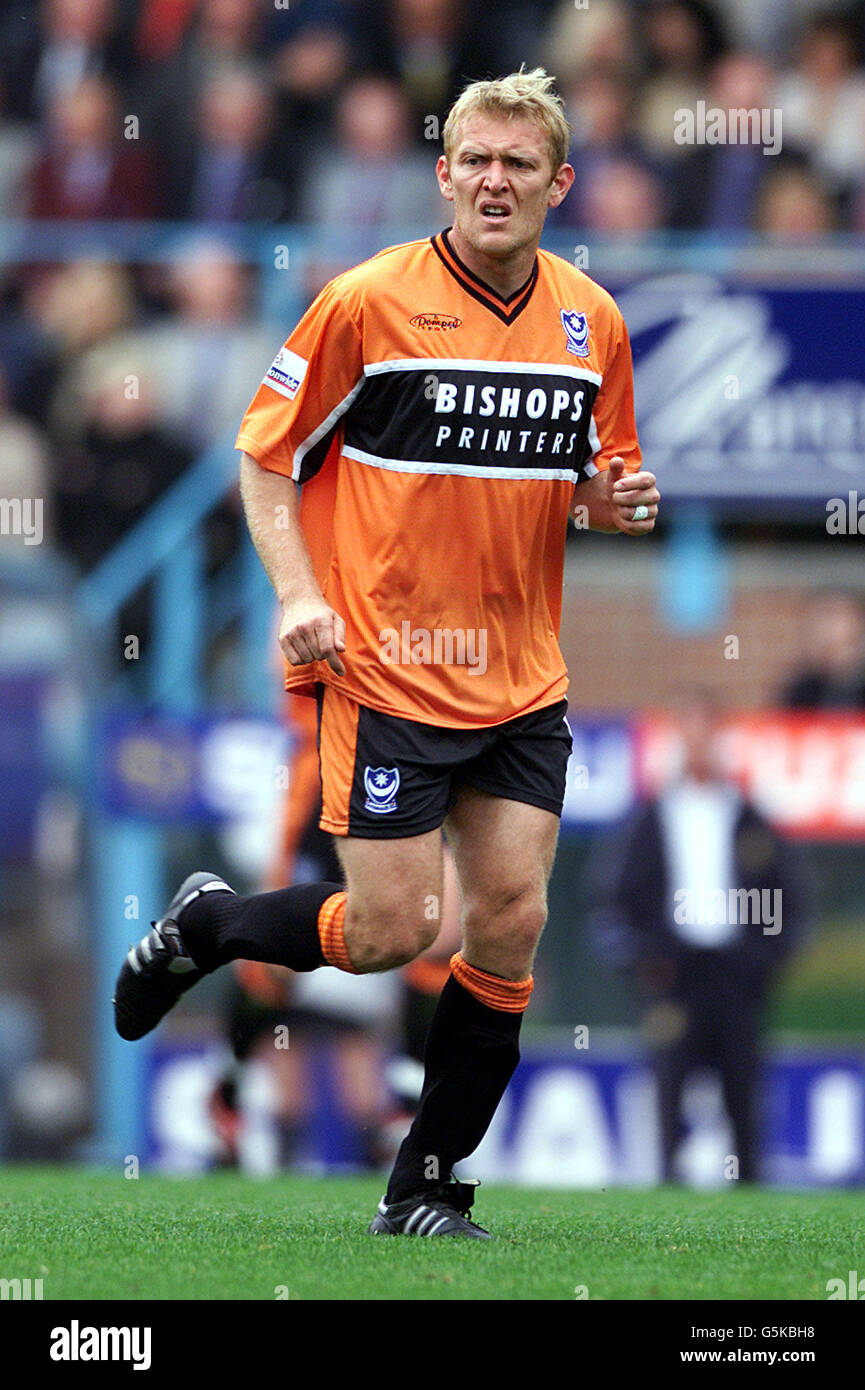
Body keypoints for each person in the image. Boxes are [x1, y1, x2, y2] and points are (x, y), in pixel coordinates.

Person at [114, 66, 659, 1238]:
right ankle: (210, 928)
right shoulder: (365, 301)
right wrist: (295, 594)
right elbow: (265, 457)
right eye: (477, 160)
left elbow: (590, 487)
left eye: (520, 163)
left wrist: (617, 504)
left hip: (522, 677)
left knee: (510, 920)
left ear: (560, 182)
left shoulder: (593, 323)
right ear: (443, 173)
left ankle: (425, 1184)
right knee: (392, 933)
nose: (496, 181)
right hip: (389, 669)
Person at [588, 697, 811, 1182]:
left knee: (743, 1085)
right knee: (670, 1080)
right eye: (689, 734)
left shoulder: (749, 817)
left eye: (709, 734)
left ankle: (749, 1183)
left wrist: (764, 959)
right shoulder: (650, 819)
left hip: (736, 972)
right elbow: (619, 900)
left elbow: (786, 899)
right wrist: (647, 960)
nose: (699, 746)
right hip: (675, 974)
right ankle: (669, 1180)